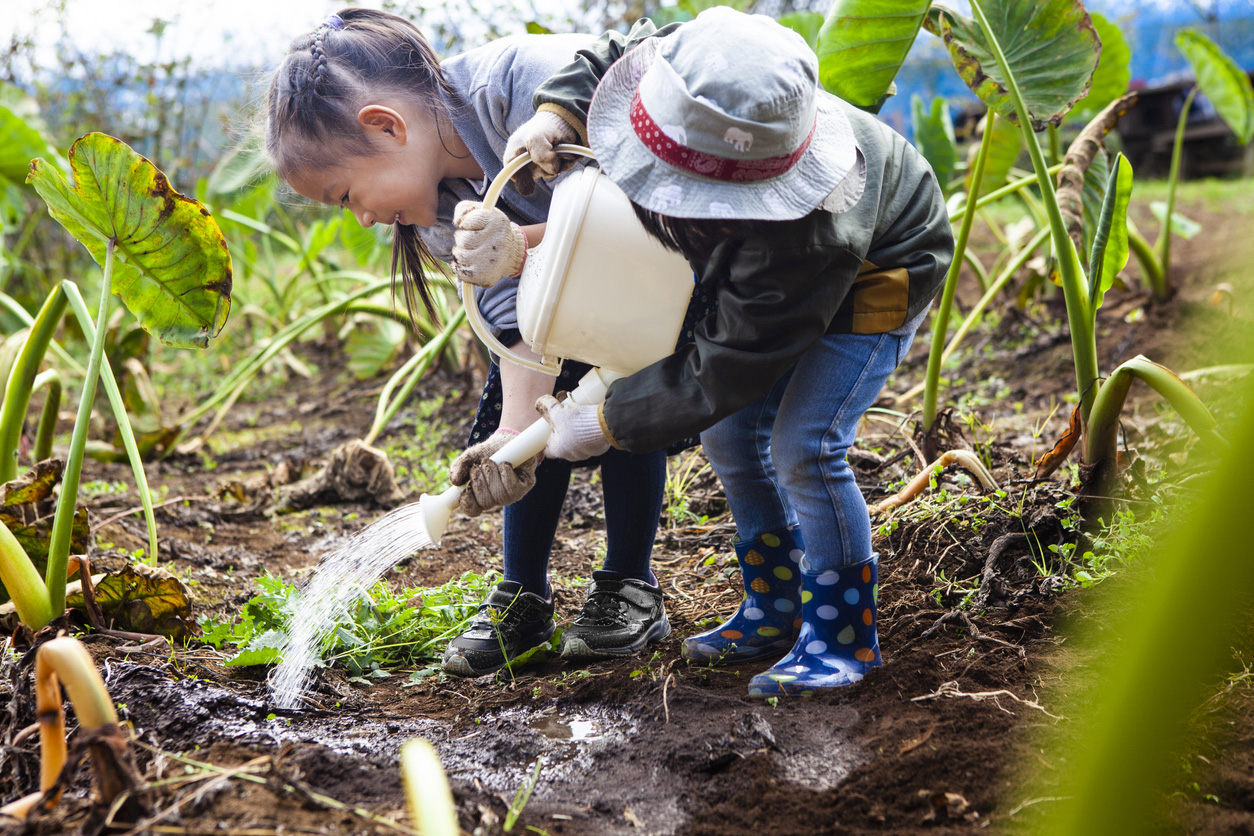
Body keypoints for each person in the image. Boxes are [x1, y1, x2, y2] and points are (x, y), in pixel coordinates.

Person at [455, 8, 954, 696]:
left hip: (883, 266)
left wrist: (602, 422)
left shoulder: (808, 236)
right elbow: (612, 53)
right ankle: (774, 606)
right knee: (729, 438)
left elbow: (721, 366)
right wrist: (555, 115)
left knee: (803, 446)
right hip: (775, 272)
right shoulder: (688, 78)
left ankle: (842, 635)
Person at [264, 7, 676, 678]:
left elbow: (637, 211)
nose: (365, 219)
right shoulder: (434, 213)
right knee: (528, 424)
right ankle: (523, 595)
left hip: (670, 274)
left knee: (623, 388)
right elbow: (516, 323)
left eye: (348, 196)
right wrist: (516, 435)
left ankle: (629, 583)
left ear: (385, 126)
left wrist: (518, 245)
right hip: (576, 300)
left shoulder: (526, 86)